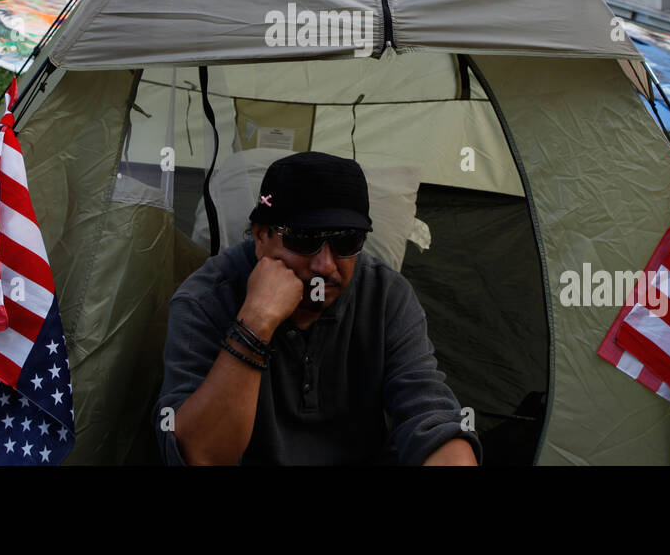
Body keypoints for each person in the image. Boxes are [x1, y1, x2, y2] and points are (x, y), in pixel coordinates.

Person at [154, 151, 480, 466]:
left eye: (346, 241)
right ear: (261, 236)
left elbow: (429, 414)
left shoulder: (385, 296)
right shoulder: (206, 299)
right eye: (304, 239)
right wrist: (254, 326)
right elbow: (201, 456)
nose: (324, 265)